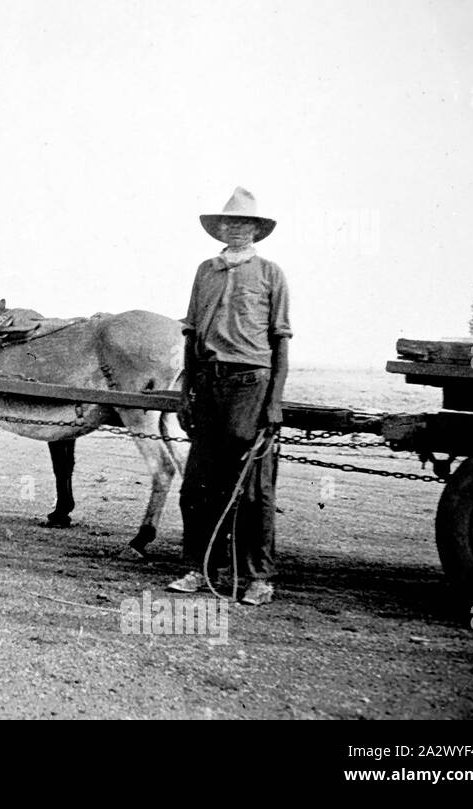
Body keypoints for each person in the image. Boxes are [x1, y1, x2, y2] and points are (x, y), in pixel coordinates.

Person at [170, 187, 291, 605]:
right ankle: (198, 569)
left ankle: (258, 578)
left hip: (250, 386)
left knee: (252, 489)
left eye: (245, 224)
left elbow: (280, 342)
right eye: (230, 223)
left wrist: (273, 402)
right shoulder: (205, 271)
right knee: (198, 486)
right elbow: (191, 336)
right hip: (207, 386)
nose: (236, 230)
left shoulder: (271, 273)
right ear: (219, 228)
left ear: (256, 230)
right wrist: (187, 393)